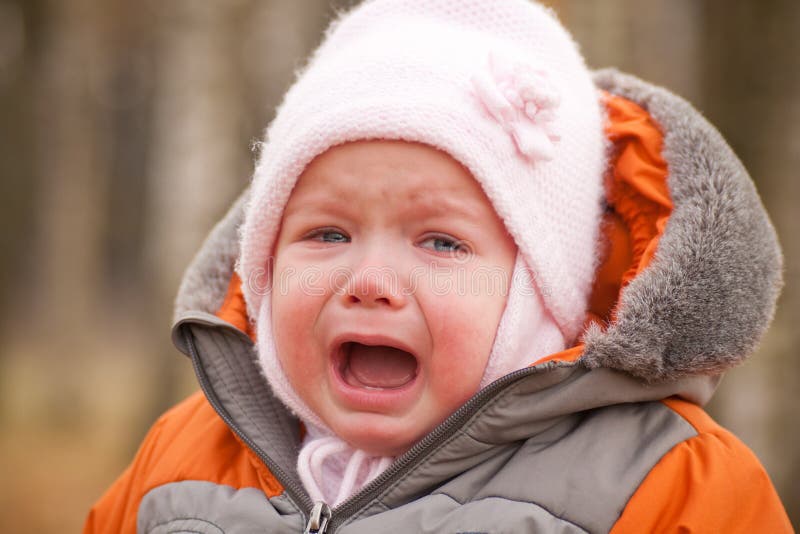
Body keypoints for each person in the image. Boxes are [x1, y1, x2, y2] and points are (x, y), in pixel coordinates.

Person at [84, 0, 793, 532]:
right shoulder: (181, 461)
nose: (369, 283)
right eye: (327, 234)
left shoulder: (670, 484)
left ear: (539, 294)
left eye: (441, 243)